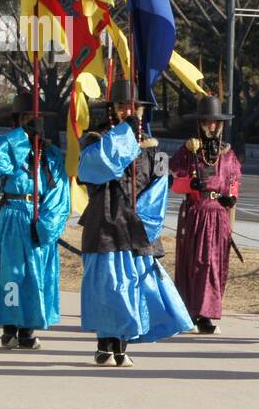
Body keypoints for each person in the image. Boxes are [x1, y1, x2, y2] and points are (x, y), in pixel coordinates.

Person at [77, 78, 192, 366]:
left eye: (135, 108)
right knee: (109, 285)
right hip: (104, 222)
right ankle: (105, 343)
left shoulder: (157, 149)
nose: (129, 112)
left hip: (138, 225)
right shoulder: (94, 139)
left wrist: (146, 219)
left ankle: (123, 345)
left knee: (134, 285)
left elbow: (162, 184)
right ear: (112, 109)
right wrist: (124, 135)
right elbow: (92, 170)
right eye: (122, 107)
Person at [0, 92, 70, 349]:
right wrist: (22, 136)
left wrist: (46, 227)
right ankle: (10, 326)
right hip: (12, 213)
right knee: (11, 274)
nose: (33, 122)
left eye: (37, 118)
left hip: (37, 217)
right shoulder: (7, 146)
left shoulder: (52, 155)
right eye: (26, 118)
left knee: (35, 275)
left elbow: (60, 194)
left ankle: (27, 329)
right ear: (18, 121)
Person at [170, 95, 242, 335]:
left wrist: (230, 198)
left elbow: (233, 182)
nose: (211, 126)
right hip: (197, 213)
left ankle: (207, 313)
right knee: (197, 262)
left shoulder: (228, 154)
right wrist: (191, 184)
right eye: (207, 122)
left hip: (219, 216)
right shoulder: (189, 151)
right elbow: (174, 180)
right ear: (199, 123)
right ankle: (191, 311)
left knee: (215, 263)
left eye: (215, 122)